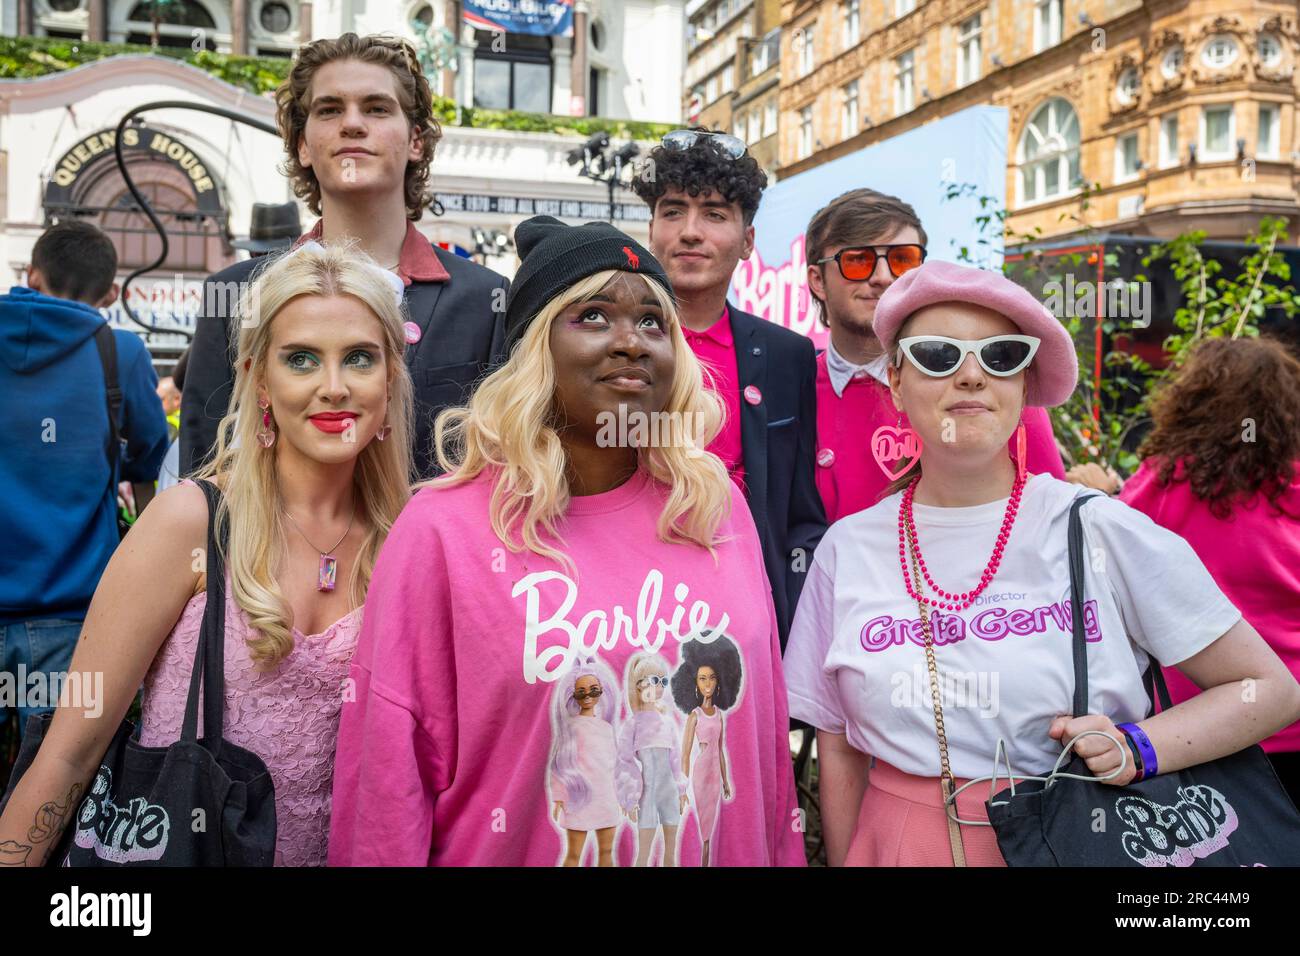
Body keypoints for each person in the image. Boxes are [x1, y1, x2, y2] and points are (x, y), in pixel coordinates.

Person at [783, 259, 1300, 867]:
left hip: (1080, 838)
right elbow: (838, 744)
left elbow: (1267, 690)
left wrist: (1140, 746)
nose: (970, 377)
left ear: (1024, 383)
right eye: (937, 356)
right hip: (896, 842)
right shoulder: (847, 549)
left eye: (1000, 355)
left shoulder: (1100, 527)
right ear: (894, 379)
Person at [328, 217, 804, 867]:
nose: (631, 342)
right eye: (593, 316)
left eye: (653, 322)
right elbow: (385, 787)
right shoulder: (443, 532)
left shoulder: (715, 508)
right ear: (533, 350)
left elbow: (768, 756)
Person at [0, 242, 415, 866]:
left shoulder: (412, 539)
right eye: (301, 359)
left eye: (359, 358)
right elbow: (69, 752)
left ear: (389, 380)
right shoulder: (190, 522)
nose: (334, 387)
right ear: (259, 380)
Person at [182, 32, 508, 481]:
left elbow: (501, 472)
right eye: (330, 109)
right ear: (302, 144)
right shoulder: (237, 293)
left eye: (376, 108)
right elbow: (204, 475)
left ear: (416, 140)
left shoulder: (487, 299)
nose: (352, 124)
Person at [632, 128, 826, 649]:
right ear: (651, 228)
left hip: (748, 617)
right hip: (630, 613)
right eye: (673, 211)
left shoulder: (788, 357)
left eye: (715, 214)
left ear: (747, 241)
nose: (690, 232)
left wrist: (789, 609)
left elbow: (800, 511)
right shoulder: (606, 346)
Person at [804, 188, 1065, 523]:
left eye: (902, 260)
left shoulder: (990, 384)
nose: (883, 276)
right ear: (817, 280)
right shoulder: (790, 390)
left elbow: (1051, 522)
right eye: (858, 260)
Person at [1114, 336, 1300, 804]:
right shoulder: (1291, 487)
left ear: (1193, 400)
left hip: (1201, 723)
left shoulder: (1164, 482)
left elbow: (1108, 551)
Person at [0, 221, 168, 739]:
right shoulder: (118, 352)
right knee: (51, 792)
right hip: (73, 612)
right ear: (112, 292)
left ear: (32, 274)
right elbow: (150, 454)